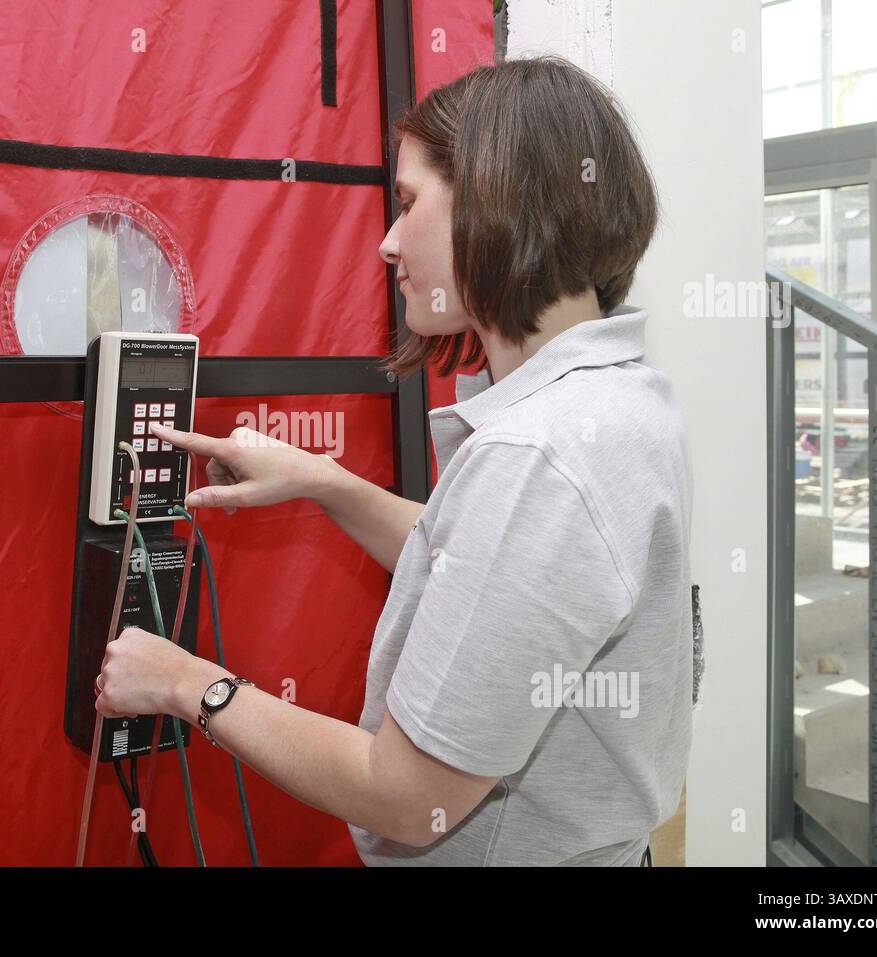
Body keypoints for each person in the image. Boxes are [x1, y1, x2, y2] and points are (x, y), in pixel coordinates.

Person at [93, 56, 693, 866]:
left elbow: (410, 797)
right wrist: (326, 483)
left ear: (494, 202)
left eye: (408, 204)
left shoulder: (538, 455)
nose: (386, 242)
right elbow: (501, 582)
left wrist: (185, 681)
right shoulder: (617, 399)